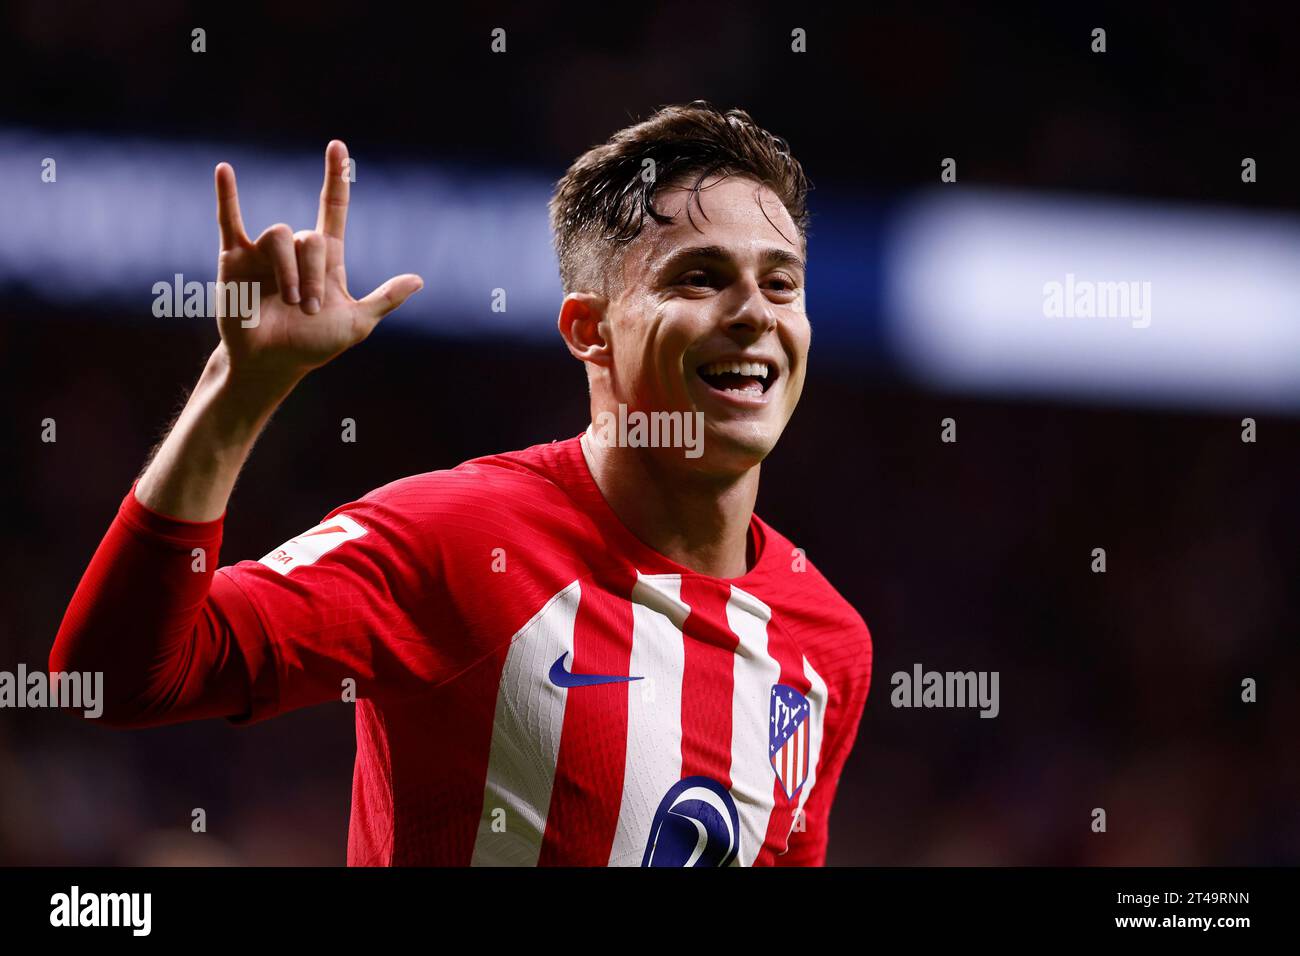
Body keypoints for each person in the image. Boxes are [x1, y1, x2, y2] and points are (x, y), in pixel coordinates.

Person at [50, 102, 872, 866]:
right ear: (590, 330)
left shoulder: (828, 646)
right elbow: (114, 681)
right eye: (699, 278)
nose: (755, 313)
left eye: (781, 283)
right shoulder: (459, 537)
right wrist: (237, 393)